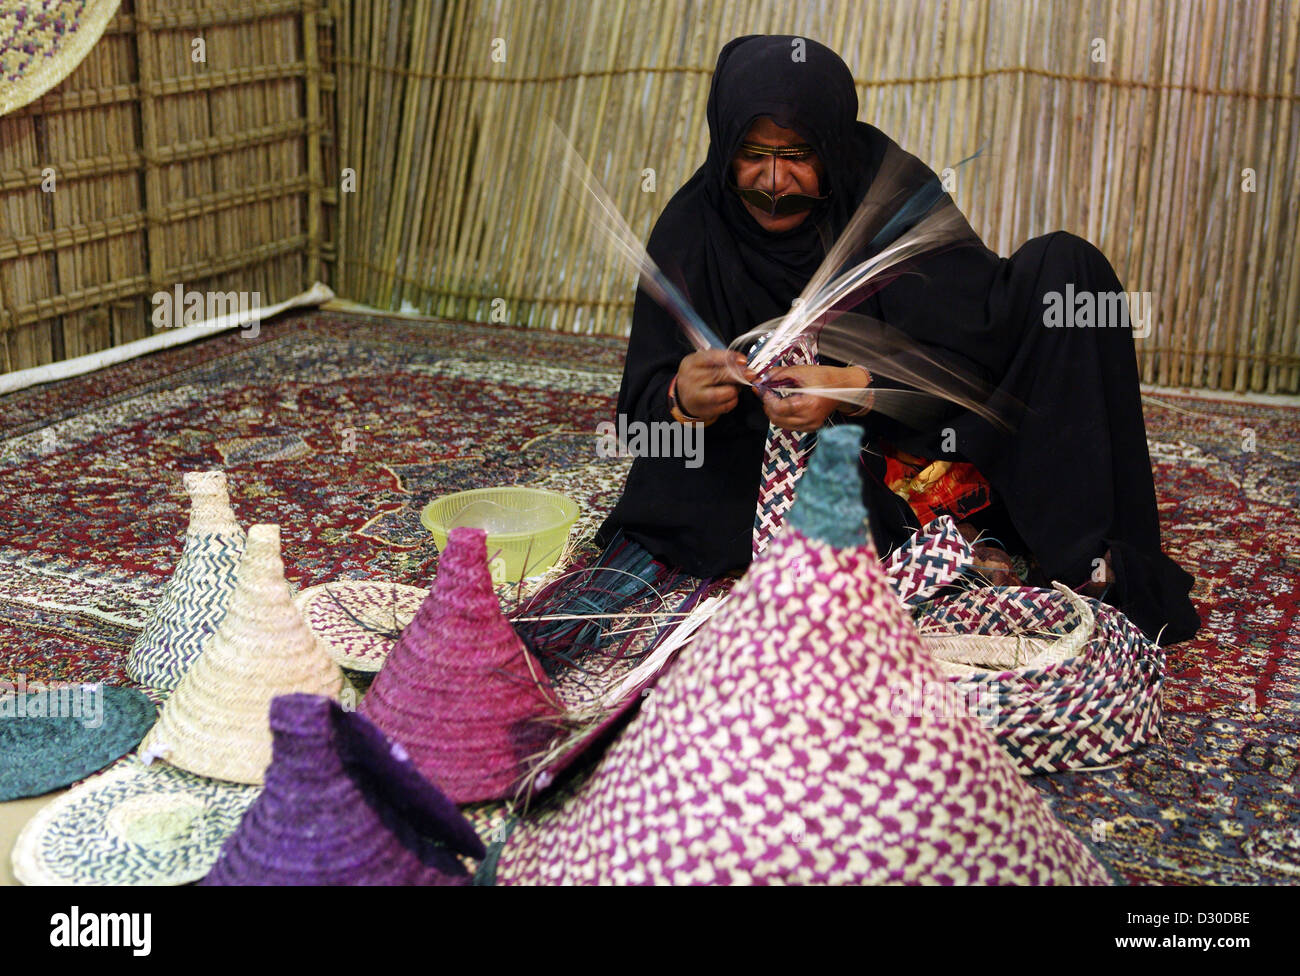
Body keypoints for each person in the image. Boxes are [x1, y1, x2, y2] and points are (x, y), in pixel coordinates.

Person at [595, 34, 1200, 645]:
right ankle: (929, 543)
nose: (773, 181)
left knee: (1066, 271)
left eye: (798, 154)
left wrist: (859, 387)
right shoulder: (690, 232)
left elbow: (972, 346)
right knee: (729, 477)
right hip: (797, 466)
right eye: (751, 153)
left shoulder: (886, 193)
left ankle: (1071, 554)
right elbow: (640, 419)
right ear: (724, 144)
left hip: (925, 438)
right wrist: (682, 399)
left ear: (832, 146)